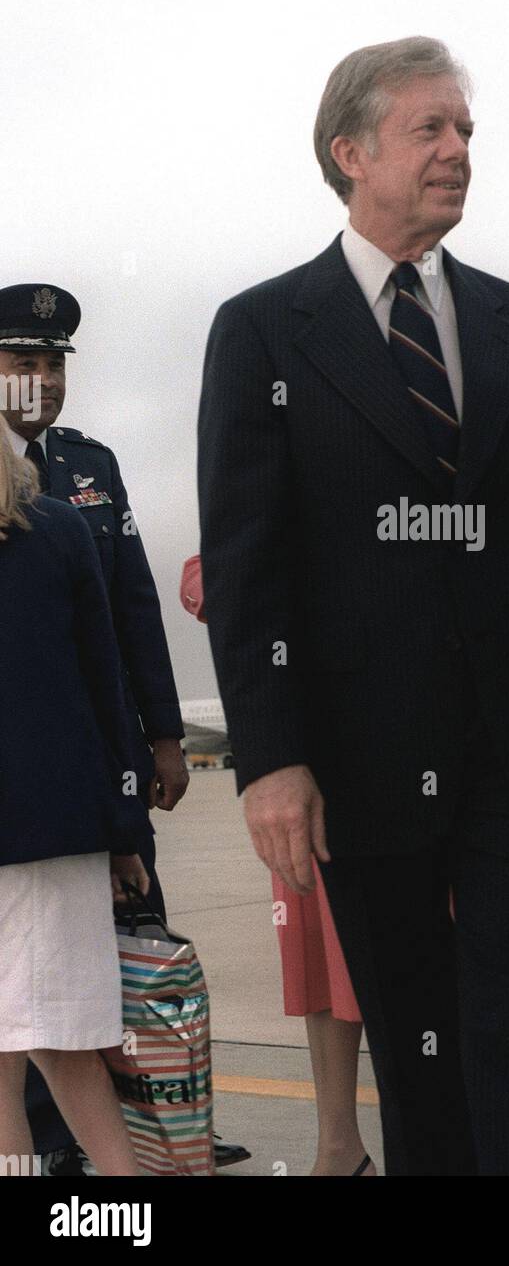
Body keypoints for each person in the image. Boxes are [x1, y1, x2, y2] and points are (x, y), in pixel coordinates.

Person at [199, 35, 509, 1176]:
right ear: (349, 152)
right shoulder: (261, 331)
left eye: (466, 133)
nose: (456, 153)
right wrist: (271, 758)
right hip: (361, 757)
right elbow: (251, 566)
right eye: (429, 130)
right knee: (415, 1036)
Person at [0, 283, 246, 1173]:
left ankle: (164, 1113)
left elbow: (133, 610)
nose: (43, 380)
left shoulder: (87, 466)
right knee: (37, 987)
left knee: (136, 939)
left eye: (53, 363)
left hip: (90, 766)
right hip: (37, 785)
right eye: (24, 362)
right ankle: (72, 1145)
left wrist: (165, 739)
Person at [179, 556, 375, 1176]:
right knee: (324, 964)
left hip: (423, 733)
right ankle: (339, 1148)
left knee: (435, 967)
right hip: (312, 759)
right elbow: (204, 576)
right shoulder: (275, 477)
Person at [0, 422, 147, 1175]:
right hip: (54, 832)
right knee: (64, 1048)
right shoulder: (59, 528)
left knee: (19, 1059)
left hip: (41, 836)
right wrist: (124, 833)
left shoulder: (55, 530)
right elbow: (105, 689)